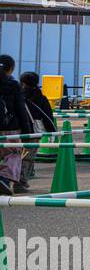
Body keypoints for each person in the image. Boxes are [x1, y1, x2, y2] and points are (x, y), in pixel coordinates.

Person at [0, 55, 33, 193]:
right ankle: (4, 179)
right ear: (11, 69)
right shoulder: (13, 85)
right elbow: (21, 109)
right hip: (10, 128)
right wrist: (27, 132)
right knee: (13, 154)